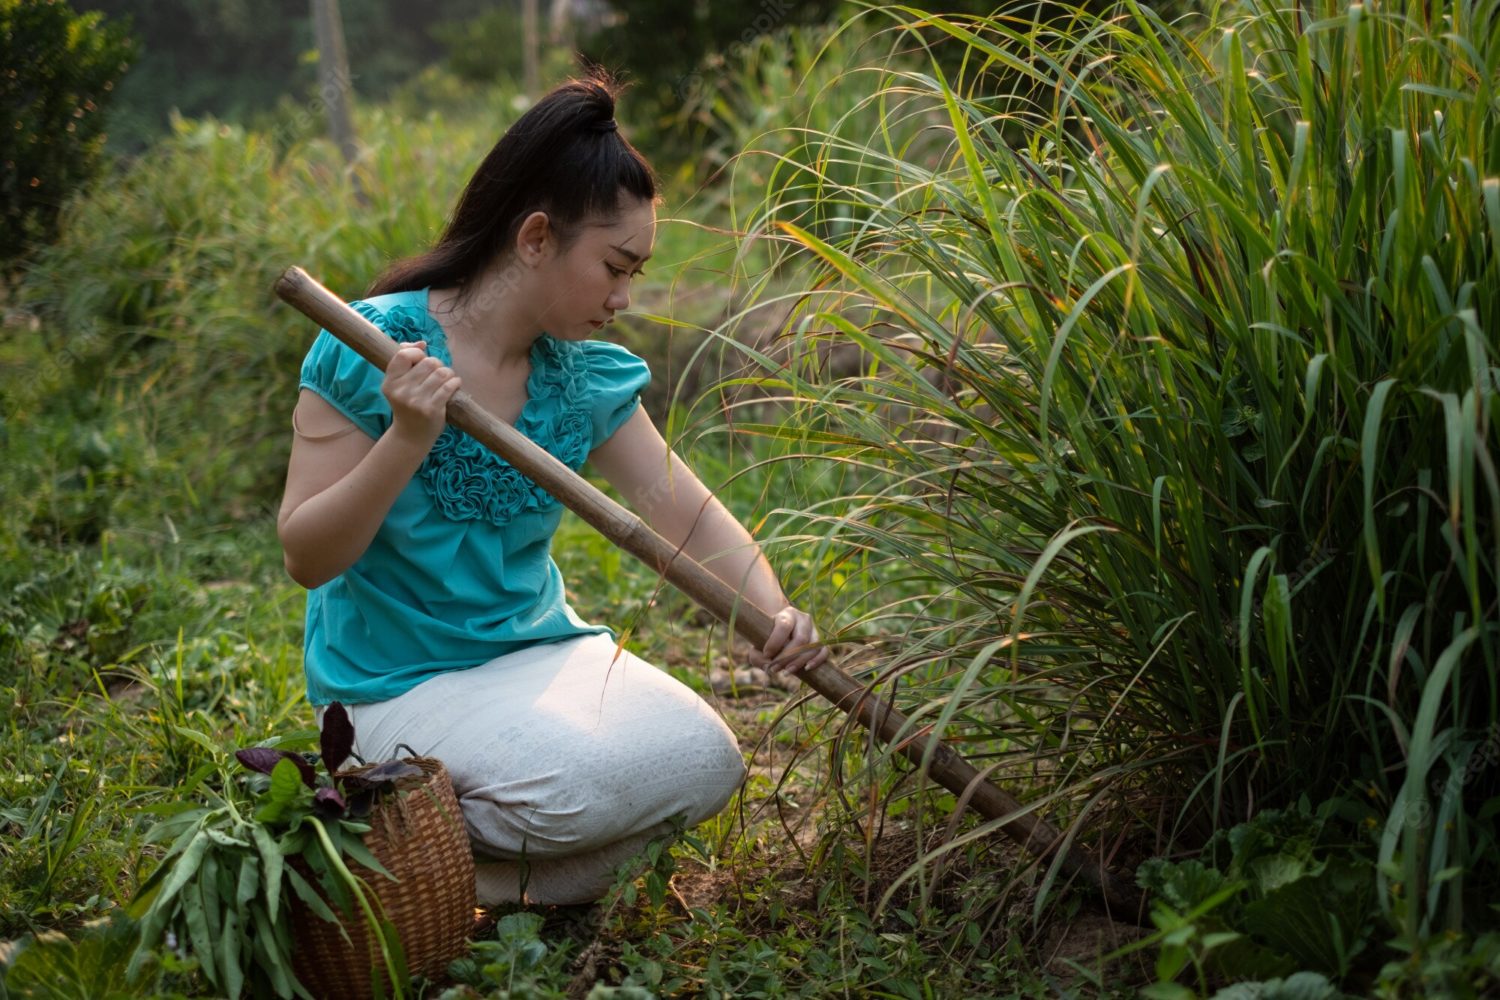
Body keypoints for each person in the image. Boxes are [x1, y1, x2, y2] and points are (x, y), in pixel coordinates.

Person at [276, 74, 827, 907]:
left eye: (635, 272)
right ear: (536, 236)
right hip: (393, 686)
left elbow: (682, 507)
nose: (624, 297)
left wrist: (769, 603)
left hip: (542, 656)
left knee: (710, 761)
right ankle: (413, 828)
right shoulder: (373, 344)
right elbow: (307, 556)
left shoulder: (578, 378)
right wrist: (406, 439)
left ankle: (467, 884)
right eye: (614, 267)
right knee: (576, 794)